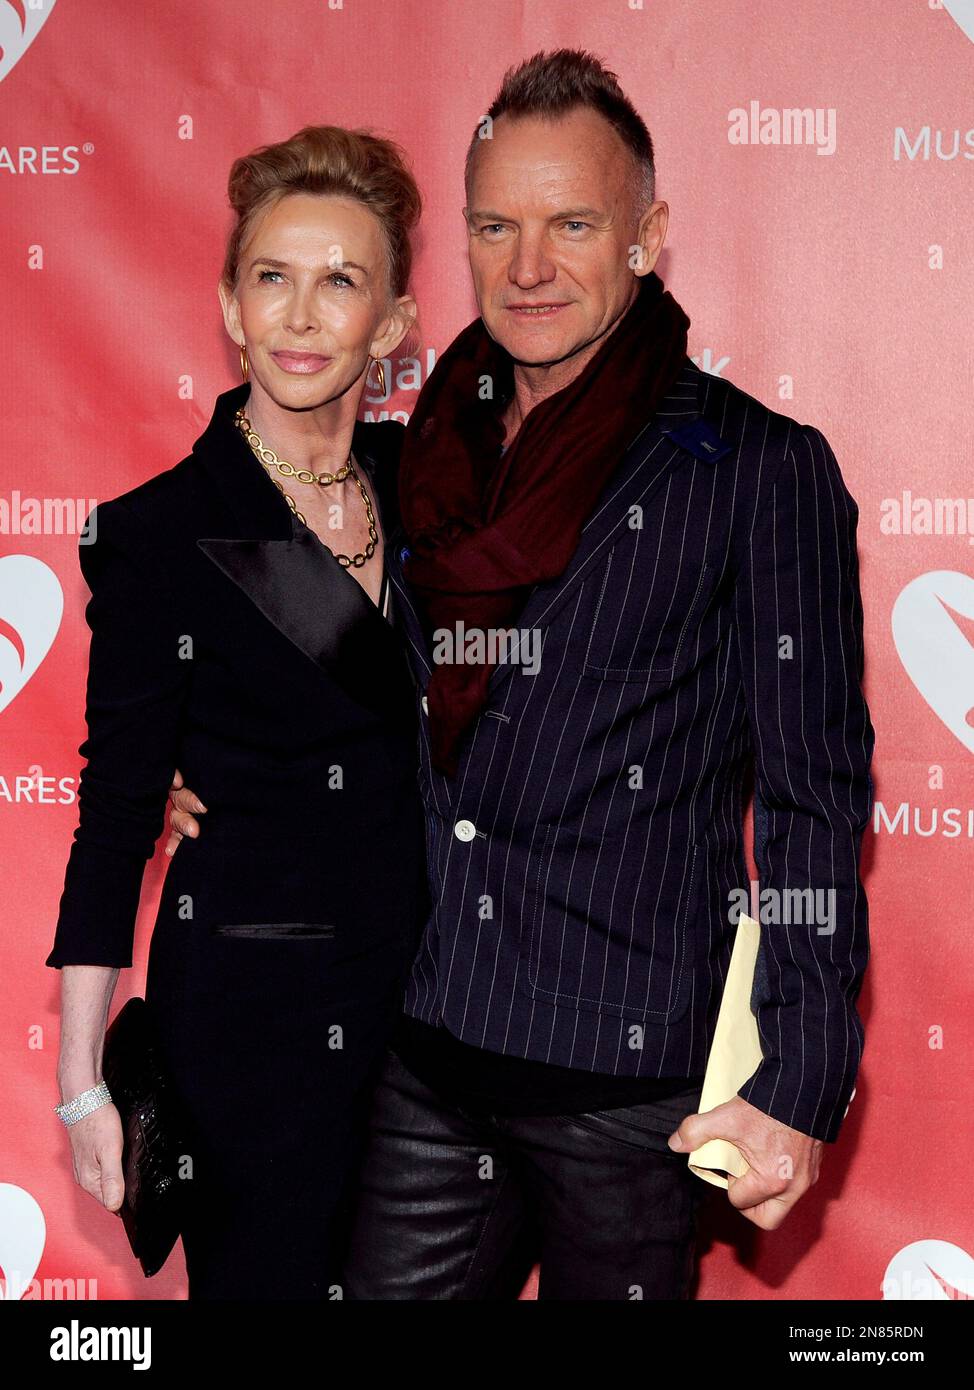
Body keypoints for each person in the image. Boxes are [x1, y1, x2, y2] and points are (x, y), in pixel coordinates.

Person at [169, 50, 875, 1301]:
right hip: (424, 1051)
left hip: (632, 1094)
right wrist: (203, 749)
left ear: (647, 236)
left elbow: (817, 798)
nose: (529, 265)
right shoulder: (414, 457)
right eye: (495, 225)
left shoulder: (754, 470)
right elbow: (308, 632)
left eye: (572, 224)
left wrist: (801, 1078)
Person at [44, 124, 430, 1299]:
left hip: (434, 1014)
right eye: (272, 277)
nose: (301, 317)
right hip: (255, 1020)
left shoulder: (433, 490)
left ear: (394, 325)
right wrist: (80, 1084)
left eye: (340, 282)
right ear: (227, 301)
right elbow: (113, 824)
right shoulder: (161, 536)